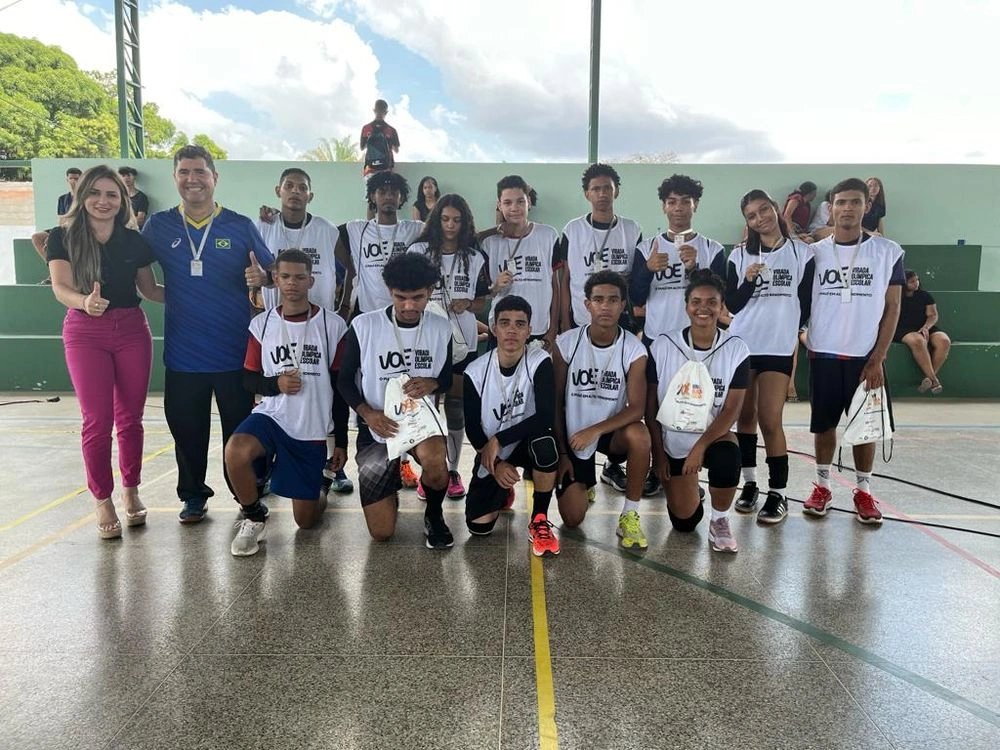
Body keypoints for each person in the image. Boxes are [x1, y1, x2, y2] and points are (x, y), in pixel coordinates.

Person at [142, 144, 275, 523]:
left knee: (241, 432)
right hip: (184, 355)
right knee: (188, 432)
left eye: (200, 171)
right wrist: (151, 290)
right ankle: (193, 496)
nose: (192, 179)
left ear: (214, 177)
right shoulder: (160, 225)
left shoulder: (239, 225)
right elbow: (136, 264)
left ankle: (245, 493)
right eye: (184, 172)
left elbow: (269, 271)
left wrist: (260, 278)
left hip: (234, 353)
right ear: (175, 178)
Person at [45, 165, 163, 539]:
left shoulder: (134, 241)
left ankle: (131, 490)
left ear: (122, 201)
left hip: (131, 329)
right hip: (85, 332)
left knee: (130, 419)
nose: (103, 201)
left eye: (112, 194)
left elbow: (150, 289)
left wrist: (202, 294)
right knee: (97, 420)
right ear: (82, 197)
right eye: (95, 193)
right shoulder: (61, 237)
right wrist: (84, 302)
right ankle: (103, 499)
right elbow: (60, 287)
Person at [225, 249, 348, 556]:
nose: (292, 283)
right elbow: (248, 379)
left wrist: (342, 441)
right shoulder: (261, 324)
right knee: (236, 450)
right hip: (273, 416)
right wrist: (275, 384)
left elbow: (340, 386)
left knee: (306, 521)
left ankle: (321, 485)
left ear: (311, 280)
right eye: (285, 276)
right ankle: (253, 515)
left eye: (299, 277)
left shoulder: (333, 326)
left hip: (310, 427)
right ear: (275, 279)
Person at [803, 177, 904, 525]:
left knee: (865, 428)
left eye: (855, 202)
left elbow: (893, 308)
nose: (847, 209)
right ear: (830, 208)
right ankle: (822, 486)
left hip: (866, 358)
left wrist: (878, 357)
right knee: (824, 425)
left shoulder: (888, 251)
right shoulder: (814, 254)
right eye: (841, 202)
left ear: (867, 207)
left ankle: (863, 491)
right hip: (824, 353)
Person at [336, 252, 455, 548]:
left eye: (418, 297)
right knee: (382, 533)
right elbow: (344, 380)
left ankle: (434, 514)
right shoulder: (364, 326)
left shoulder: (441, 329)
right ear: (389, 291)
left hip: (421, 425)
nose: (409, 306)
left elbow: (448, 378)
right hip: (378, 426)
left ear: (430, 291)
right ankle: (388, 486)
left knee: (436, 460)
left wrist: (434, 382)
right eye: (401, 297)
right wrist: (367, 413)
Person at [254, 167, 353, 494]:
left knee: (324, 393)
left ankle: (333, 463)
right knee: (275, 396)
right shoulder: (263, 226)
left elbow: (351, 266)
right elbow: (251, 268)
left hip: (318, 324)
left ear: (311, 195)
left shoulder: (326, 230)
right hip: (279, 324)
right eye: (289, 186)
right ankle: (269, 463)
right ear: (277, 190)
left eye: (302, 187)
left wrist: (345, 300)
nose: (295, 192)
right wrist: (255, 293)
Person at [557, 163, 647, 496]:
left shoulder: (632, 228)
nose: (602, 194)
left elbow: (638, 282)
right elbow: (565, 278)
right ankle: (581, 464)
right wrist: (564, 323)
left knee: (615, 391)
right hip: (582, 324)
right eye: (596, 189)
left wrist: (635, 322)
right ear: (586, 194)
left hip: (617, 325)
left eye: (608, 188)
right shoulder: (572, 229)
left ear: (616, 191)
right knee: (580, 392)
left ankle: (612, 463)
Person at [646, 270, 750, 553]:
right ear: (686, 306)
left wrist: (700, 447)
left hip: (712, 436)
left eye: (711, 301)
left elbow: (731, 411)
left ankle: (720, 520)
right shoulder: (663, 345)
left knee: (729, 456)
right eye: (696, 301)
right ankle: (691, 486)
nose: (703, 308)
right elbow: (651, 405)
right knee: (685, 522)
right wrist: (659, 454)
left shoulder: (736, 349)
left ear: (721, 306)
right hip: (673, 439)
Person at [726, 190, 813, 525]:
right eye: (752, 215)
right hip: (744, 344)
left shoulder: (802, 253)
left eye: (764, 209)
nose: (760, 217)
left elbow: (804, 302)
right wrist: (748, 281)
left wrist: (788, 328)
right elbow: (732, 305)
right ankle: (749, 484)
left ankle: (778, 492)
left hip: (777, 347)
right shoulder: (738, 256)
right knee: (744, 418)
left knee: (770, 419)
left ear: (776, 210)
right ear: (747, 222)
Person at [335, 171, 425, 489]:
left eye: (394, 191)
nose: (387, 196)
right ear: (372, 197)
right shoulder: (356, 230)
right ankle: (371, 458)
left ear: (402, 197)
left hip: (407, 325)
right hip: (369, 328)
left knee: (411, 393)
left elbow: (453, 231)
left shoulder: (415, 229)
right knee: (368, 393)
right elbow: (321, 240)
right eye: (381, 191)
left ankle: (405, 461)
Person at [553, 271, 650, 548]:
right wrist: (562, 453)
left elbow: (637, 408)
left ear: (622, 305)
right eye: (598, 300)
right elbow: (555, 404)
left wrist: (594, 430)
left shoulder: (634, 349)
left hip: (610, 432)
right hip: (574, 435)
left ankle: (629, 514)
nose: (605, 306)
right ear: (587, 305)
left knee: (640, 436)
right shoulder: (566, 344)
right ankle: (586, 483)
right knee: (572, 518)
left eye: (612, 300)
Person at [407, 194, 490, 501]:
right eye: (445, 219)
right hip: (423, 339)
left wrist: (468, 302)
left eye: (457, 220)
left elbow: (482, 298)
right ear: (436, 220)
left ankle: (452, 470)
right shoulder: (418, 251)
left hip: (461, 341)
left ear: (465, 223)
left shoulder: (474, 256)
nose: (451, 226)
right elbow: (405, 291)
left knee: (456, 406)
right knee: (421, 402)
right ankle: (422, 468)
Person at [463, 295, 560, 557]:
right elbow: (472, 427)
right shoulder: (475, 371)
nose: (512, 330)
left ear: (529, 330)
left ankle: (539, 518)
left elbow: (545, 415)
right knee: (478, 527)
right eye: (505, 323)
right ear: (494, 328)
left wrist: (499, 439)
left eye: (520, 324)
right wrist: (495, 464)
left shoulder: (540, 361)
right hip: (496, 453)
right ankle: (502, 491)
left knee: (546, 443)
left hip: (528, 442)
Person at [629, 174, 727, 343]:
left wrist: (693, 270)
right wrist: (648, 269)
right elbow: (636, 298)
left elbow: (721, 297)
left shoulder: (713, 249)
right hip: (656, 337)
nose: (678, 208)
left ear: (695, 204)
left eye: (685, 201)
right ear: (664, 207)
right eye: (672, 202)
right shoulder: (646, 248)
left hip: (697, 339)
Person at [480, 175, 562, 352]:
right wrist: (496, 287)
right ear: (499, 205)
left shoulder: (548, 236)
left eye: (520, 202)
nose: (514, 208)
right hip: (501, 330)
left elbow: (555, 286)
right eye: (507, 203)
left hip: (539, 328)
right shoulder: (489, 243)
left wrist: (553, 328)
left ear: (529, 202)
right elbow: (486, 293)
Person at [894, 270, 950, 394]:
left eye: (917, 280)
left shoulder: (925, 296)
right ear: (904, 283)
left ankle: (928, 378)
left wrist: (926, 327)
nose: (916, 283)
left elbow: (933, 315)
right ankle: (934, 380)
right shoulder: (895, 296)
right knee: (918, 341)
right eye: (912, 281)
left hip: (924, 327)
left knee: (944, 341)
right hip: (902, 329)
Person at [360, 99, 400, 178]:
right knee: (386, 190)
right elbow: (396, 150)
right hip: (387, 168)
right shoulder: (392, 130)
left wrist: (371, 140)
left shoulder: (366, 128)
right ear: (386, 112)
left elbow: (362, 147)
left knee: (370, 190)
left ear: (374, 110)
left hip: (370, 167)